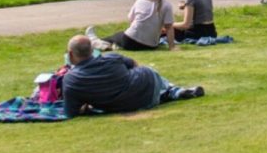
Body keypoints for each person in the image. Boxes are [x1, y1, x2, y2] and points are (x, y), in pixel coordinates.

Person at [60, 34, 202, 116]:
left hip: (123, 105)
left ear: (71, 54)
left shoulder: (71, 80)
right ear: (92, 50)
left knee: (144, 86)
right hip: (145, 86)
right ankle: (173, 90)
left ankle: (171, 92)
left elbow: (70, 112)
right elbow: (134, 64)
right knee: (149, 75)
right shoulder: (112, 58)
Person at [105, 0, 180, 51]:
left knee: (110, 38)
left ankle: (96, 49)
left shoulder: (140, 1)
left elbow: (131, 20)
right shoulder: (167, 5)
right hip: (151, 45)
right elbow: (169, 28)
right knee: (116, 39)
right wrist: (171, 46)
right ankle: (108, 46)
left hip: (129, 40)